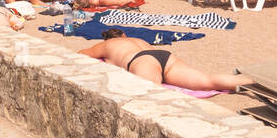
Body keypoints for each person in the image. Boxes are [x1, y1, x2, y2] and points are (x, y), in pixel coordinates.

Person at [80, 29, 253, 91]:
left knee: (152, 94)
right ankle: (254, 81)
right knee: (208, 80)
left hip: (142, 62)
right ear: (124, 35)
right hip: (164, 57)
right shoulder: (138, 41)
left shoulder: (107, 45)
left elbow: (81, 54)